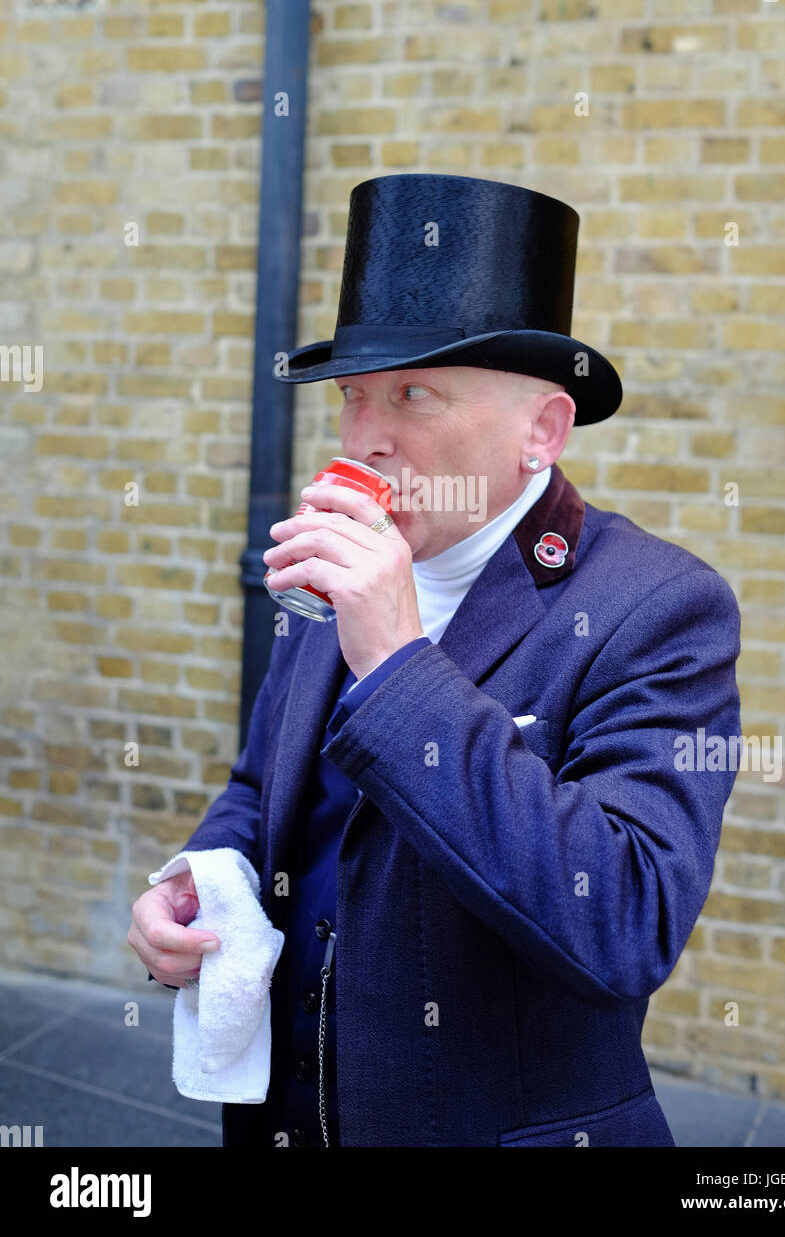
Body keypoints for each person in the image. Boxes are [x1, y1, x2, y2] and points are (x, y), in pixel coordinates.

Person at [128, 174, 741, 1147]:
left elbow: (624, 918)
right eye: (352, 396)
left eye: (413, 392)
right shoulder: (334, 570)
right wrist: (202, 873)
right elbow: (261, 785)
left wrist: (398, 660)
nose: (367, 436)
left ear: (540, 430)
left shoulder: (655, 607)